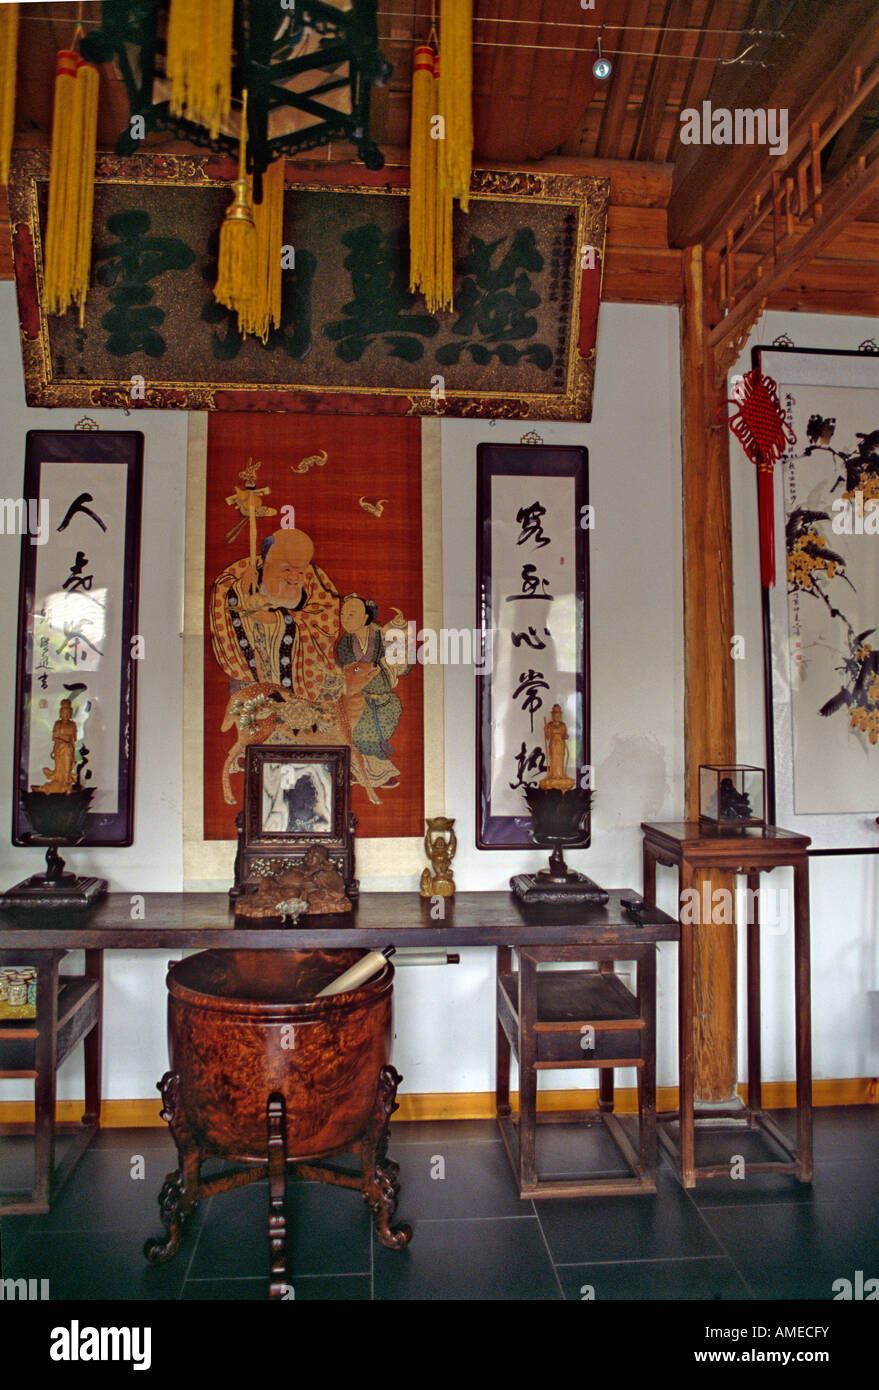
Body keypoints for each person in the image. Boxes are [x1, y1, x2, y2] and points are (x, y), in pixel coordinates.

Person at [209, 528, 339, 702]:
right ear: (268, 562)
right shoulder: (237, 581)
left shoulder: (318, 588)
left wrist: (276, 621)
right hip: (254, 689)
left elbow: (322, 623)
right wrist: (243, 590)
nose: (294, 578)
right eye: (286, 570)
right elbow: (226, 606)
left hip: (301, 689)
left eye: (300, 571)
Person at [336, 594, 403, 764]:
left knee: (391, 711)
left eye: (351, 614)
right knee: (357, 734)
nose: (345, 619)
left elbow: (401, 663)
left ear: (365, 617)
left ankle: (374, 768)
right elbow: (350, 671)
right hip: (359, 698)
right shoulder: (346, 642)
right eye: (342, 615)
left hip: (383, 696)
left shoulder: (383, 636)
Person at [39, 699, 77, 794]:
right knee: (60, 767)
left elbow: (73, 740)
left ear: (71, 713)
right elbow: (55, 738)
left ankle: (66, 782)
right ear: (60, 713)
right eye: (64, 713)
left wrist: (73, 753)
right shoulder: (58, 724)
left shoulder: (73, 725)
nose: (66, 715)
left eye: (68, 713)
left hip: (69, 750)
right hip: (60, 749)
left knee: (67, 767)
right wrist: (54, 750)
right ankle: (59, 783)